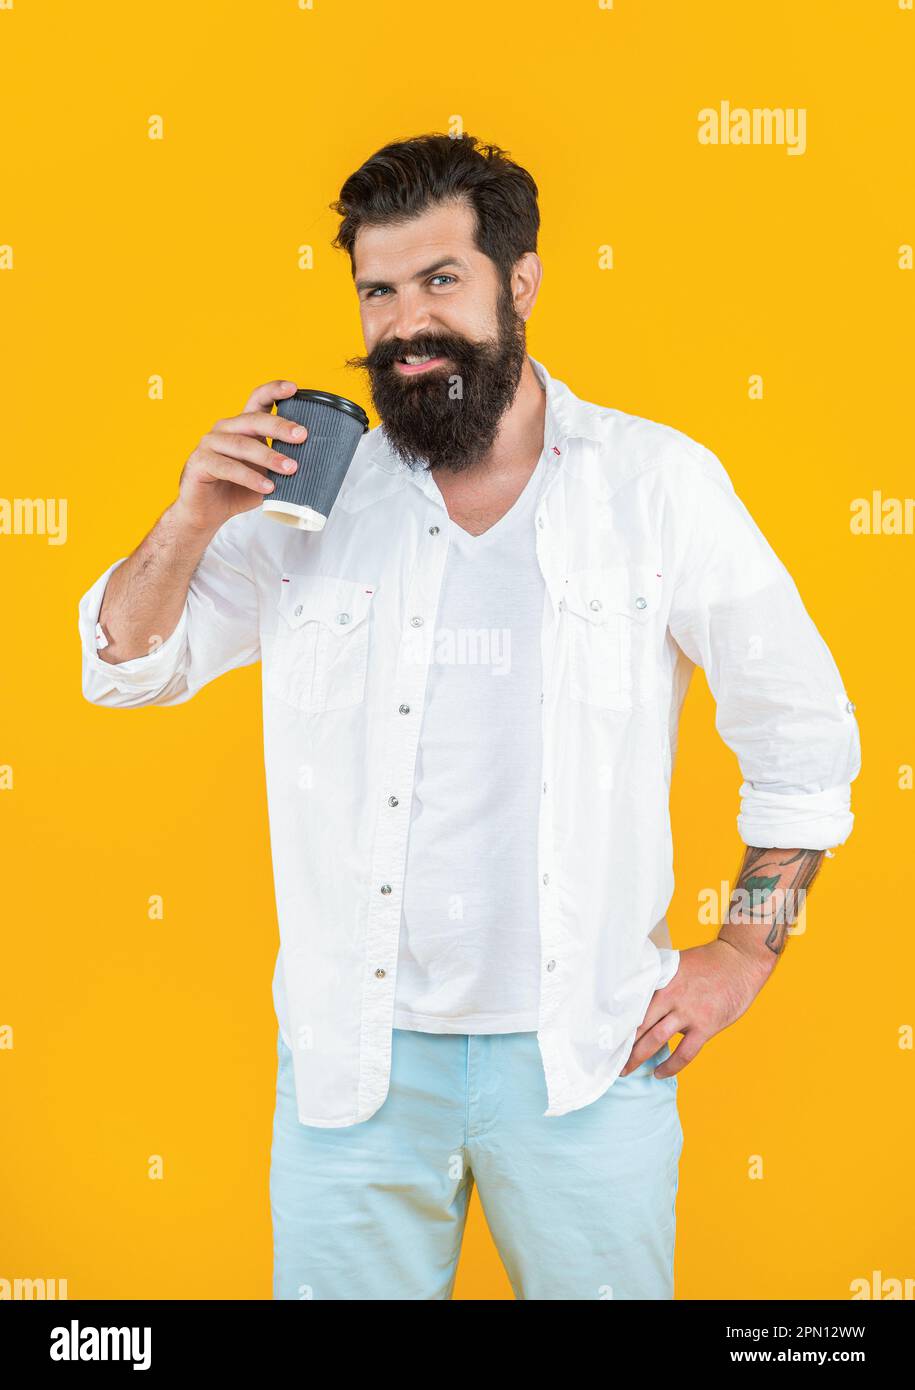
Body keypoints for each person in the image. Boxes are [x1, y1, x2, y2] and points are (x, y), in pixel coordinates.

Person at [78, 132, 861, 1301]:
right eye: (379, 292)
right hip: (353, 1075)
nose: (406, 324)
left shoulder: (655, 485)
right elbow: (126, 664)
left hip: (589, 1064)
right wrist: (193, 515)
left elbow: (802, 735)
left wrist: (745, 950)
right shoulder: (309, 489)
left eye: (441, 280)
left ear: (521, 283)